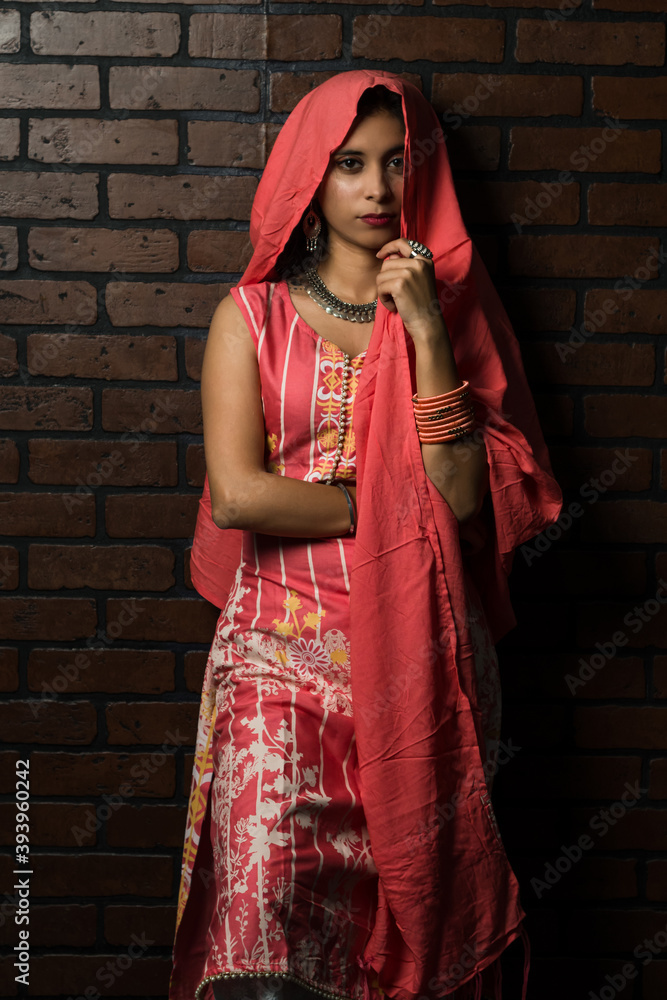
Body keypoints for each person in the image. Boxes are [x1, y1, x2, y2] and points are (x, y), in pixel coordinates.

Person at [169, 71, 563, 1000]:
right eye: (349, 166)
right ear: (313, 178)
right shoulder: (251, 318)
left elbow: (464, 499)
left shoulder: (453, 323)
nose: (376, 188)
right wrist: (388, 507)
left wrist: (425, 327)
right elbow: (238, 496)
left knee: (412, 931)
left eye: (394, 164)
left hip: (419, 660)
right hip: (276, 655)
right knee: (259, 926)